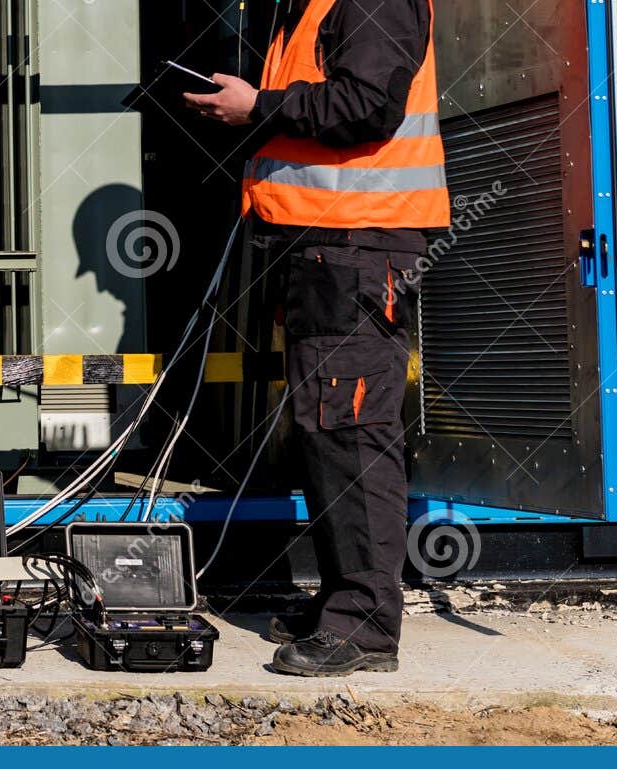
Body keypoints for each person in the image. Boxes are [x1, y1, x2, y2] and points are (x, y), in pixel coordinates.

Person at [184, 0, 449, 675]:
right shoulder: (310, 7)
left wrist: (258, 106)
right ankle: (343, 602)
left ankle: (364, 626)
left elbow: (367, 105)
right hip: (327, 249)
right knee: (328, 430)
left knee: (352, 430)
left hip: (359, 246)